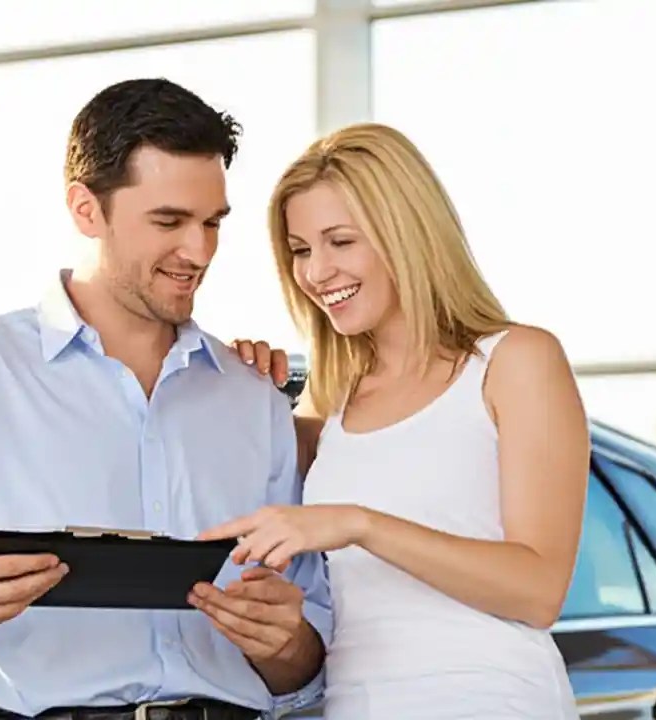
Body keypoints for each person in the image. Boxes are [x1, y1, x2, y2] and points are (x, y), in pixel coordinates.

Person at [0, 78, 332, 720]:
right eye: (168, 221)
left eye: (212, 223)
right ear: (86, 210)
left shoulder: (254, 396)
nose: (198, 252)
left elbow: (307, 658)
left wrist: (289, 645)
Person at [211, 122, 588, 718]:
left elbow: (538, 591)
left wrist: (360, 523)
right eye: (302, 250)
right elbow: (227, 466)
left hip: (490, 699)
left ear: (405, 232)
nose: (316, 272)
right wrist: (238, 383)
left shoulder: (513, 361)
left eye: (340, 241)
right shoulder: (333, 396)